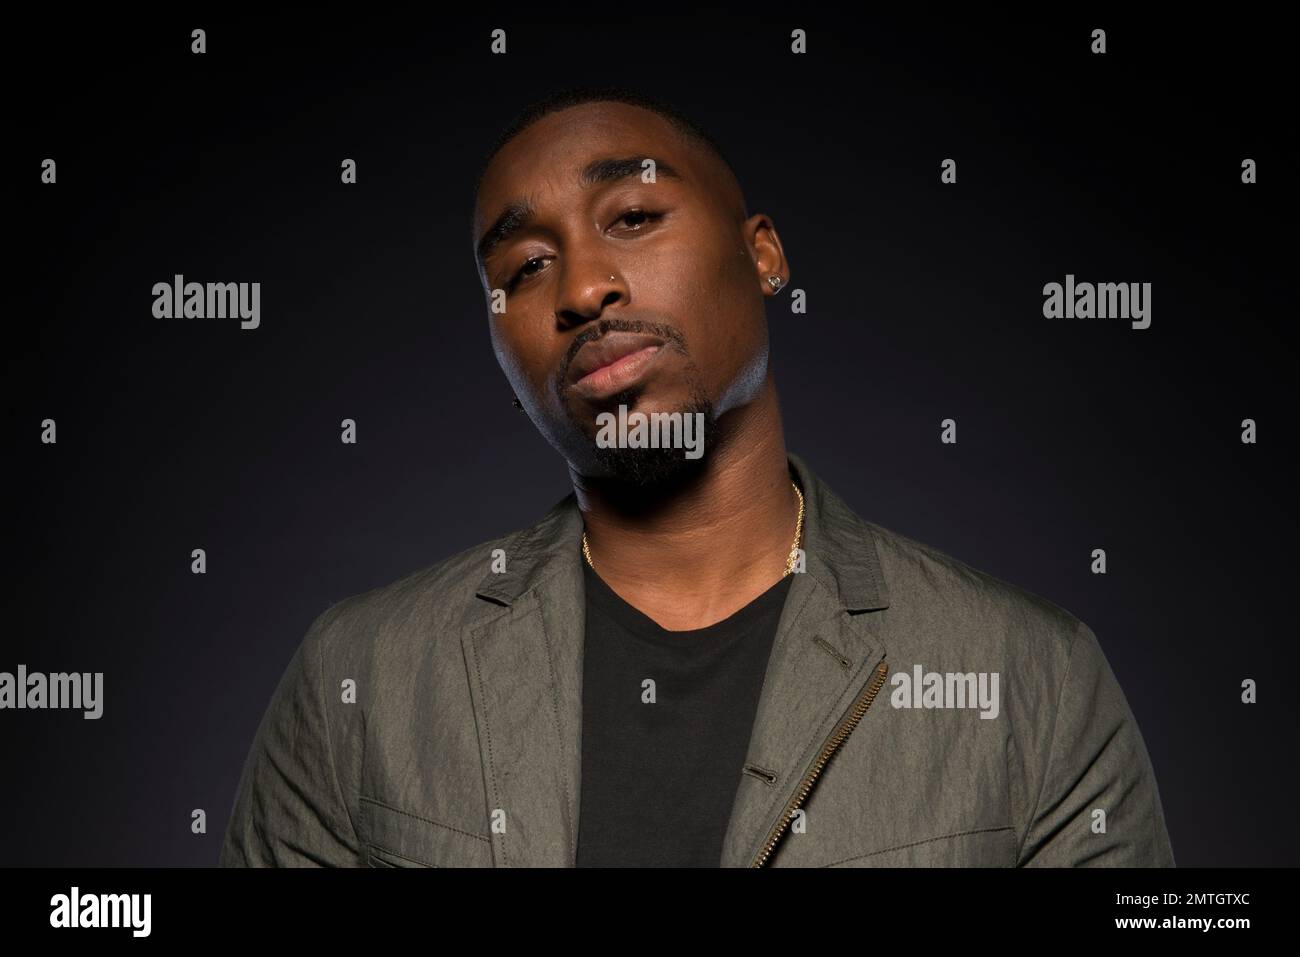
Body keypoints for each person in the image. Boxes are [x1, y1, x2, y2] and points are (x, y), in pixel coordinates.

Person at [220, 86, 1175, 868]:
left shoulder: (1030, 677)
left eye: (632, 217)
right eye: (524, 266)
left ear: (764, 254)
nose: (584, 288)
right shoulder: (361, 678)